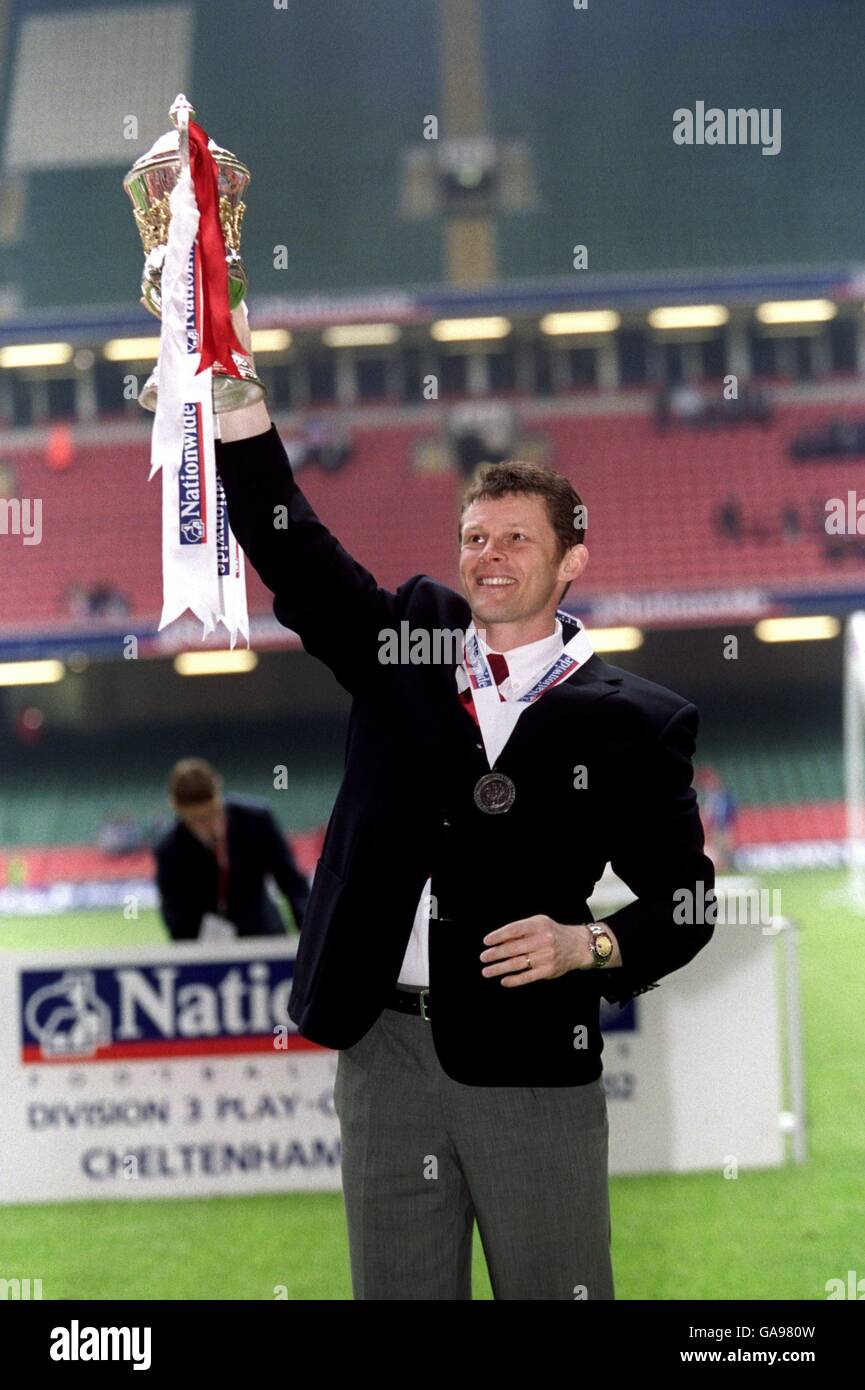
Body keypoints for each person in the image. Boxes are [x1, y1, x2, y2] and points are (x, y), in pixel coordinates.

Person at [212, 304, 715, 1301]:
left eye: (516, 538)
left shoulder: (634, 720)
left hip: (531, 1055)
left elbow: (686, 902)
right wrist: (239, 413)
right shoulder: (411, 638)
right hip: (382, 1050)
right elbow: (300, 559)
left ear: (571, 561)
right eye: (474, 535)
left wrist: (591, 946)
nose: (488, 553)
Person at [153, 758, 309, 940]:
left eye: (212, 812)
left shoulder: (256, 821)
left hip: (264, 936)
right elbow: (173, 911)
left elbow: (292, 883)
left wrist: (309, 935)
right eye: (196, 819)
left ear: (218, 790)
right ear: (175, 806)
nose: (207, 823)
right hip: (206, 948)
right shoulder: (169, 848)